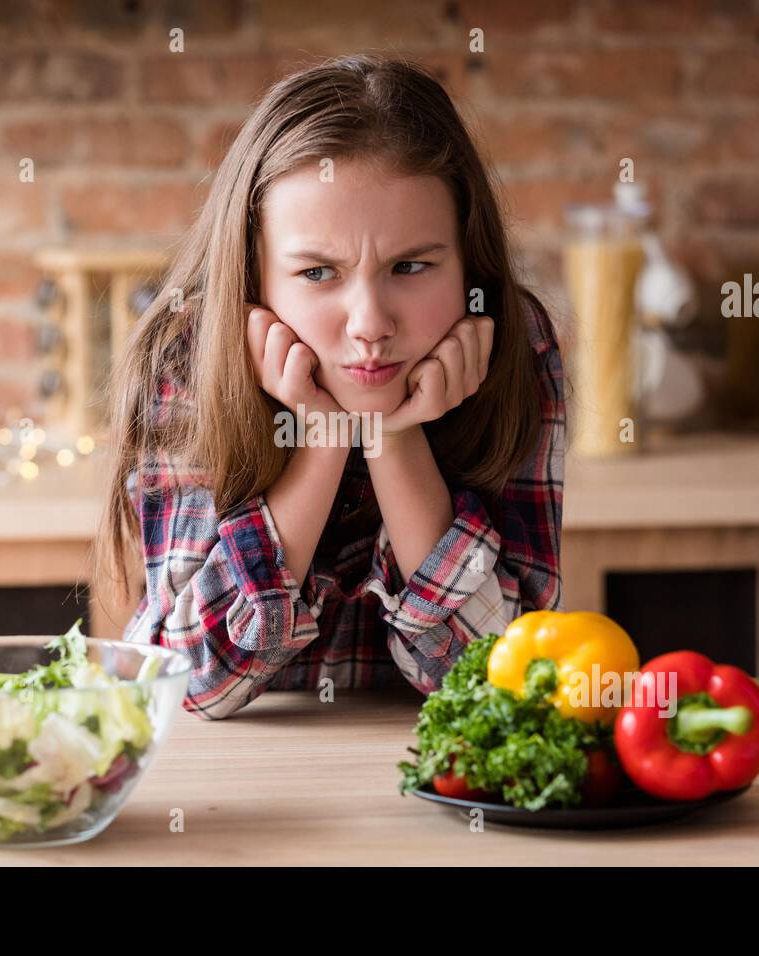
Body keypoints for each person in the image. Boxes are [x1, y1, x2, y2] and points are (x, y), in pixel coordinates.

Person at [95, 53, 567, 719]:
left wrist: (393, 438)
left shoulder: (515, 344)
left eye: (412, 266)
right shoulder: (189, 356)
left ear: (468, 266)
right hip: (252, 788)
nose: (371, 325)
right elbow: (192, 682)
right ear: (254, 279)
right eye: (317, 273)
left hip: (444, 785)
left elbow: (506, 682)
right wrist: (325, 437)